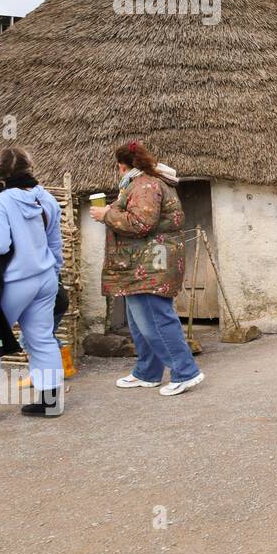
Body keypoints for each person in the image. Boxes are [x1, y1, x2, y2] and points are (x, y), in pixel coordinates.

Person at [89, 141, 204, 396]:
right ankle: (148, 372)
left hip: (152, 262)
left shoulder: (145, 185)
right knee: (139, 320)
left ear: (122, 166)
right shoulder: (142, 183)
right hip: (140, 263)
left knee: (155, 319)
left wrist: (105, 215)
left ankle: (186, 372)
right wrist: (113, 209)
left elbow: (142, 223)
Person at [0, 147, 65, 424]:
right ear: (29, 167)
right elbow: (56, 244)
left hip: (13, 282)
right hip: (45, 280)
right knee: (42, 339)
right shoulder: (47, 198)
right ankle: (50, 402)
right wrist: (54, 275)